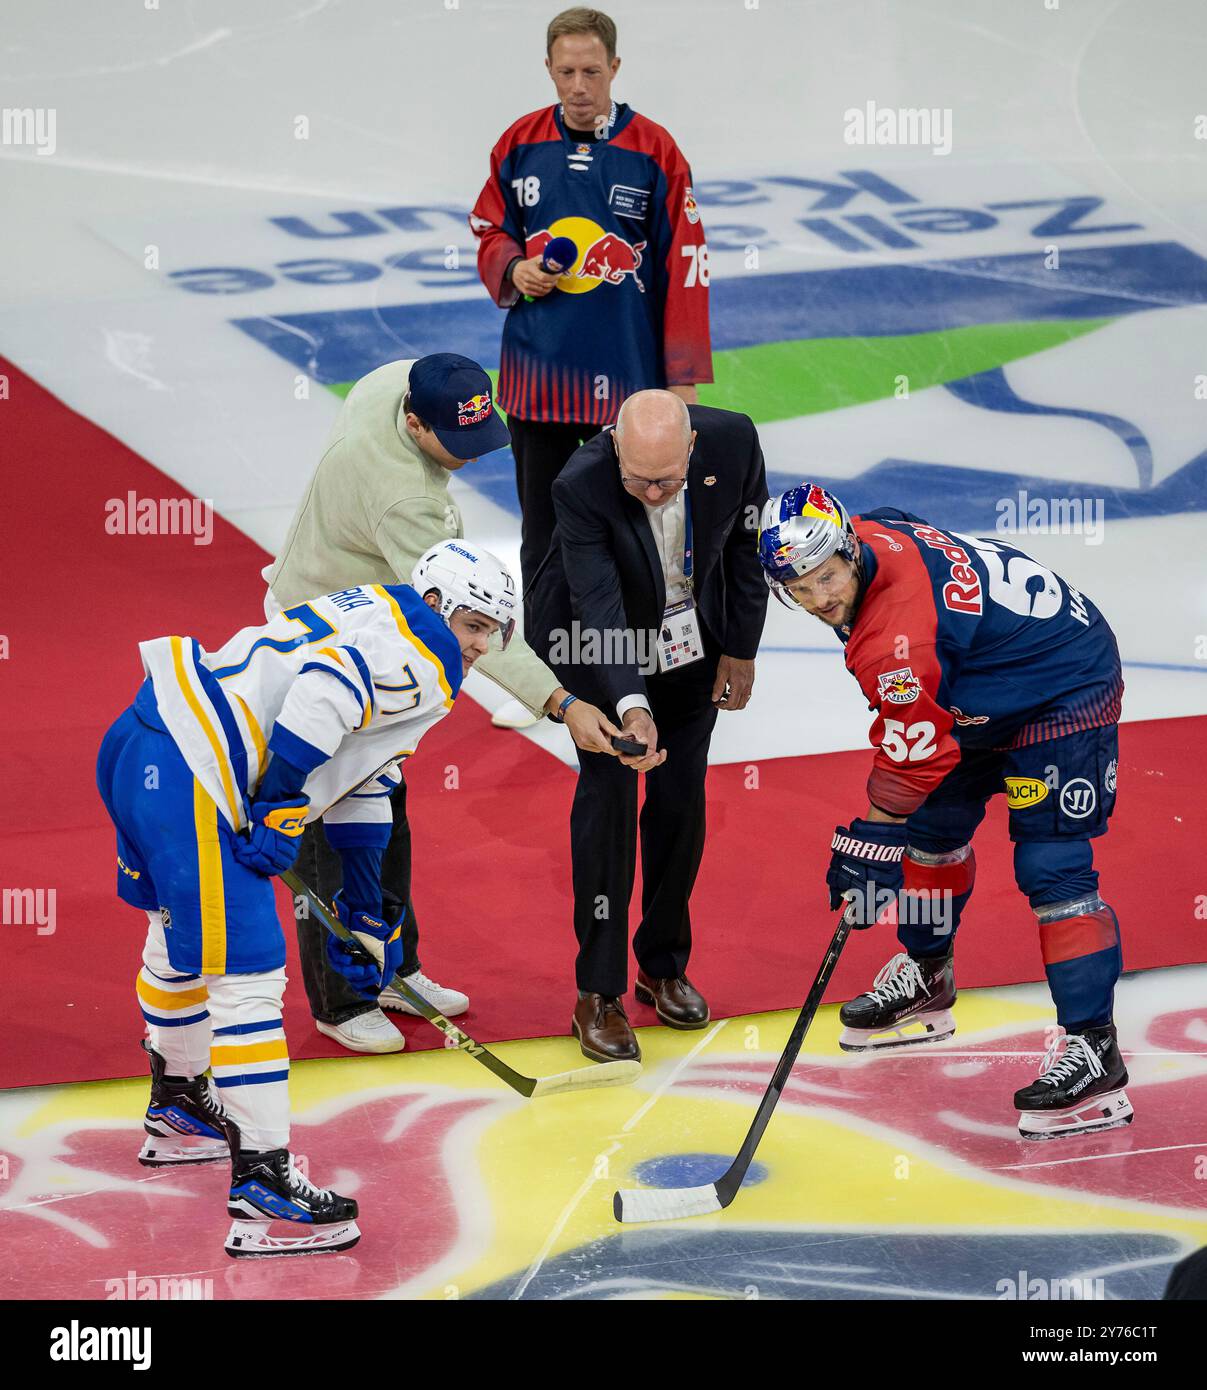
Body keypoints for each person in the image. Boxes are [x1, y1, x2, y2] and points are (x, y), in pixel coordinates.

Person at [95, 542, 519, 1256]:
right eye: (476, 624)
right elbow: (324, 692)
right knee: (250, 979)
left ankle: (177, 1108)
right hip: (197, 768)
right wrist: (280, 803)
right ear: (441, 602)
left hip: (144, 741)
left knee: (175, 943)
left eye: (495, 632)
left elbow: (367, 776)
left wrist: (363, 910)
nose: (482, 645)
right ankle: (262, 1186)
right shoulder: (424, 655)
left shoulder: (392, 611)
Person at [264, 353, 620, 1054]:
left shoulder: (393, 381)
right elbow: (475, 627)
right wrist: (559, 700)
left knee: (385, 815)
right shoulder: (408, 503)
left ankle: (394, 967)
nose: (467, 459)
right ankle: (342, 1000)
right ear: (413, 422)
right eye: (452, 446)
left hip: (361, 620)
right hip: (325, 652)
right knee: (330, 837)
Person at [757, 485, 1130, 1139]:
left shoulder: (892, 643)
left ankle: (1093, 1052)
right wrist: (882, 841)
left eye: (827, 578)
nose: (819, 600)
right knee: (931, 833)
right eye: (800, 589)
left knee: (1052, 866)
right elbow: (912, 537)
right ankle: (928, 976)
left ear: (847, 550)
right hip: (976, 688)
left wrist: (869, 844)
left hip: (1062, 687)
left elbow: (912, 758)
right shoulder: (875, 532)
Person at [469, 6, 712, 729]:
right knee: (542, 535)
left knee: (638, 532)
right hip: (539, 384)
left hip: (629, 392)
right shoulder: (518, 144)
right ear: (549, 70)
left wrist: (680, 379)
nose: (579, 85)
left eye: (592, 71)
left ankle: (640, 667)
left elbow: (685, 264)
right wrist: (514, 266)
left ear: (614, 69)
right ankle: (545, 679)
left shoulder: (654, 150)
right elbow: (488, 228)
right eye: (566, 71)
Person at [530, 390, 767, 1063]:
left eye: (667, 480)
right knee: (608, 805)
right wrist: (631, 705)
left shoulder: (733, 440)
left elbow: (744, 551)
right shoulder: (581, 483)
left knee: (680, 804)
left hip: (691, 639)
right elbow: (596, 602)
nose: (655, 494)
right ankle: (596, 993)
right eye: (638, 480)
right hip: (596, 645)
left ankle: (661, 965)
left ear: (692, 449)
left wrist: (741, 647)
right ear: (614, 447)